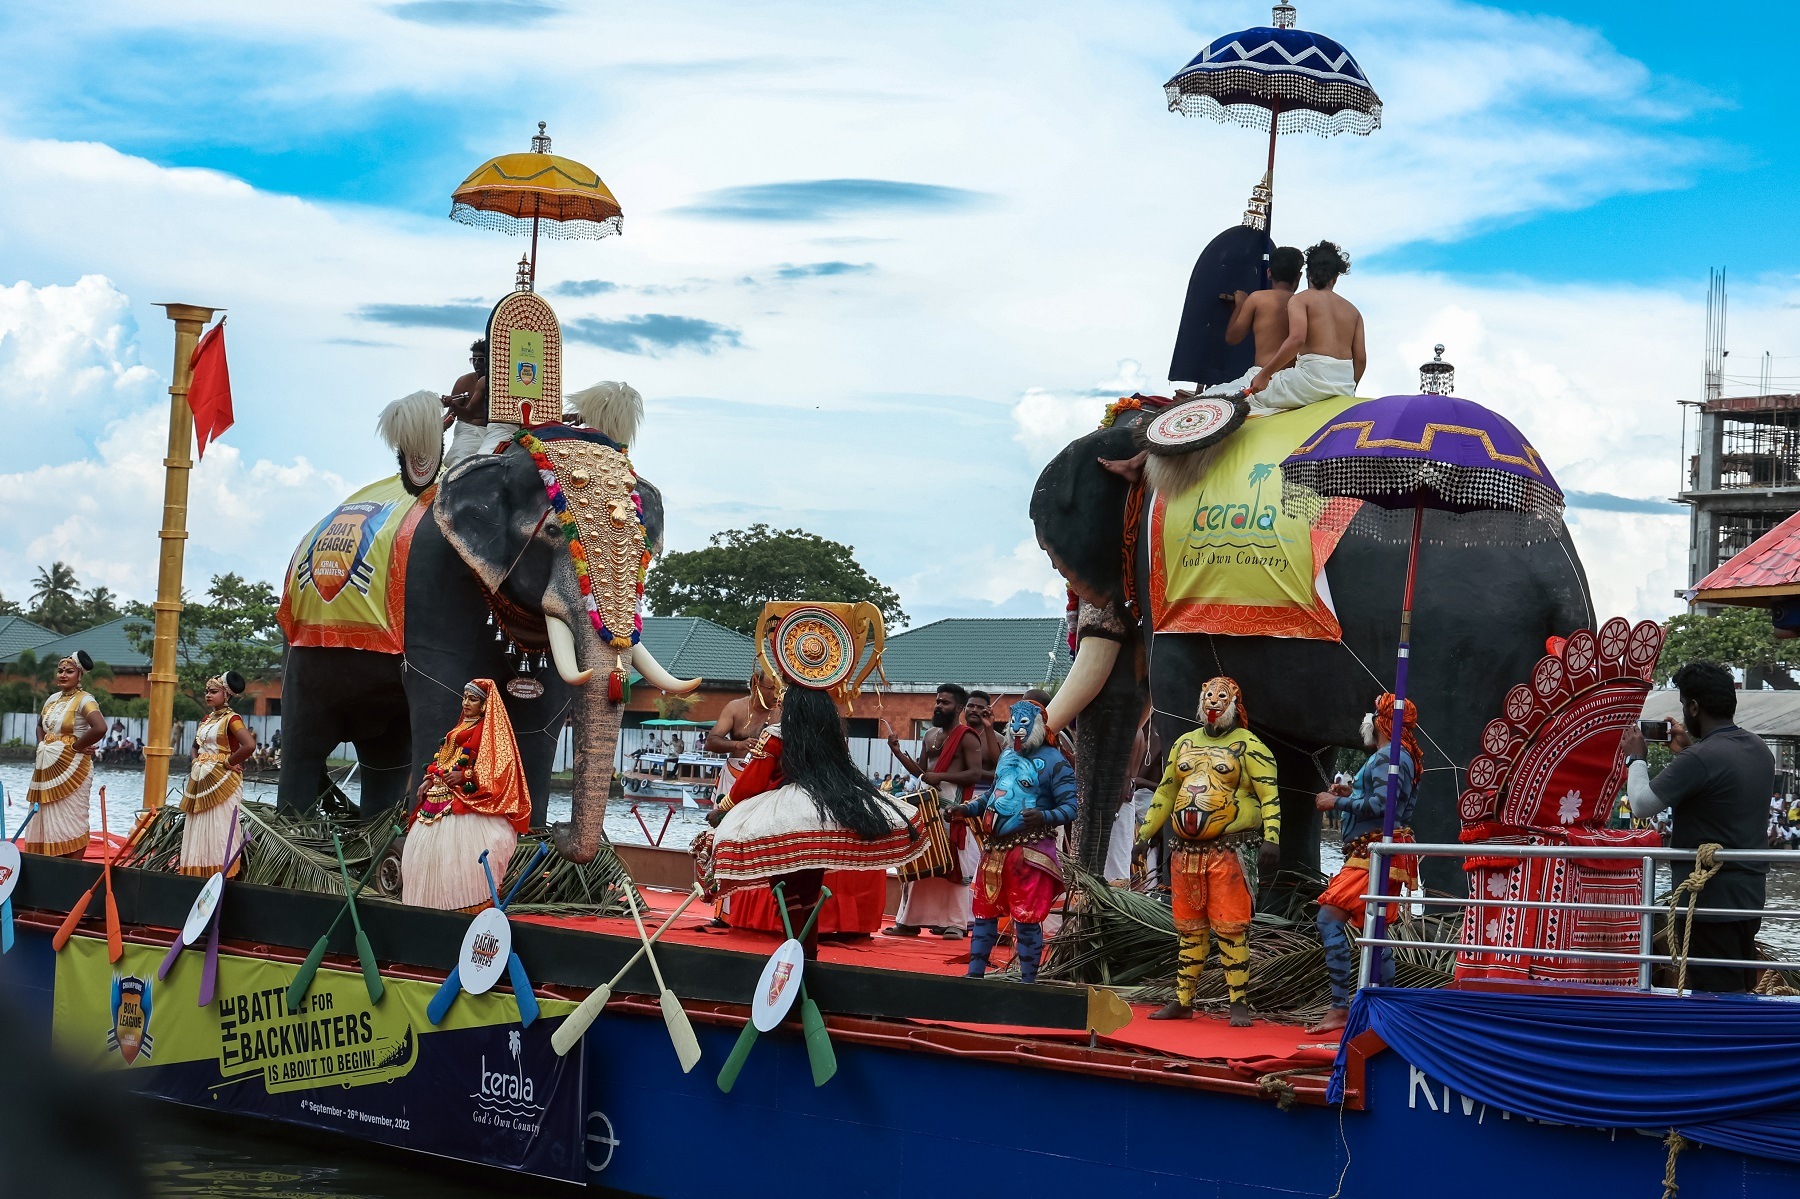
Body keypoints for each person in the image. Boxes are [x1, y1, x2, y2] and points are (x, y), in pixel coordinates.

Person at [705, 636, 924, 959]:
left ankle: (793, 953)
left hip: (788, 814)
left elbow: (752, 783)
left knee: (785, 888)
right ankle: (807, 952)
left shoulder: (777, 736)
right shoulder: (832, 736)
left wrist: (723, 810)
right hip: (827, 810)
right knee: (809, 887)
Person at [1621, 661, 1774, 992]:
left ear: (1693, 706)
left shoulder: (1701, 759)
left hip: (1709, 905)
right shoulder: (1759, 749)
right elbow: (1721, 791)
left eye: (1683, 704)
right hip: (1748, 898)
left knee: (1715, 996)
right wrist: (1691, 748)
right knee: (1737, 984)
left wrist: (1637, 758)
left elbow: (1642, 804)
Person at [1136, 677, 1280, 1025]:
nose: (1213, 703)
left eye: (1221, 698)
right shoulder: (1185, 743)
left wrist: (1272, 836)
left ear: (1234, 703)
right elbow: (1167, 791)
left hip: (1229, 852)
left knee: (1231, 929)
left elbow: (1269, 794)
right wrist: (1144, 835)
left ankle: (1238, 1003)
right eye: (1208, 697)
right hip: (1185, 852)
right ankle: (1183, 1000)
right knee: (1189, 929)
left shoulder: (1250, 745)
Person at [1307, 694, 1419, 1034]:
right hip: (1373, 852)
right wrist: (1348, 794)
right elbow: (1377, 799)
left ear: (1380, 721)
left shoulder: (1391, 755)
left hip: (1374, 854)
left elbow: (1383, 807)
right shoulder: (1394, 755)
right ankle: (1385, 1009)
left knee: (1329, 917)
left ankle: (1340, 1007)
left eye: (1371, 716)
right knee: (1374, 931)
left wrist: (1335, 803)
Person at [948, 699, 1078, 983]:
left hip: (1029, 852)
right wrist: (966, 809)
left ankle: (1028, 981)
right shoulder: (1007, 756)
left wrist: (1044, 816)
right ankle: (974, 976)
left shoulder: (1056, 762)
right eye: (1014, 722)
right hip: (994, 850)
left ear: (1039, 727)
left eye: (1024, 723)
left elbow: (1071, 808)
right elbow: (991, 796)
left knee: (1027, 919)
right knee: (983, 914)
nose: (1017, 729)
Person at [401, 680, 531, 912]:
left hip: (466, 802)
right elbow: (443, 760)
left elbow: (497, 768)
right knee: (426, 859)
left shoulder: (490, 732)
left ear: (484, 705)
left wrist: (465, 776)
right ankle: (425, 911)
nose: (466, 703)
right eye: (464, 698)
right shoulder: (458, 728)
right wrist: (429, 780)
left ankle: (463, 911)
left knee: (459, 864)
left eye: (472, 699)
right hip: (436, 800)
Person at [884, 684, 984, 938]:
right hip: (927, 809)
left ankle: (955, 924)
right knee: (920, 861)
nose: (939, 706)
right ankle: (909, 921)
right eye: (938, 701)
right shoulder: (929, 736)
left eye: (945, 703)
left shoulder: (968, 736)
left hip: (953, 810)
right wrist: (896, 752)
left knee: (953, 866)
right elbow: (921, 772)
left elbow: (975, 773)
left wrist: (940, 775)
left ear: (959, 708)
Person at [1244, 240, 1365, 415]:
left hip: (1310, 382)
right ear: (1336, 277)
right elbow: (1360, 359)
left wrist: (1264, 374)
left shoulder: (1301, 299)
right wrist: (1348, 389)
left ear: (1308, 274)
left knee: (1247, 385)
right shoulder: (1354, 311)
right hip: (1344, 386)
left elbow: (1297, 340)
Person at [25, 650, 107, 858]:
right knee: (44, 813)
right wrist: (45, 744)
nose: (62, 675)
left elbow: (99, 728)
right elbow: (40, 726)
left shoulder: (85, 700)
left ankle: (72, 868)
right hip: (47, 764)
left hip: (74, 767)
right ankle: (46, 863)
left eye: (69, 671)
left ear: (79, 675)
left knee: (71, 818)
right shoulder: (52, 699)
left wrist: (76, 747)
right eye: (60, 671)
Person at [1200, 246, 1304, 398]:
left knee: (1206, 399)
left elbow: (1233, 337)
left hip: (1260, 379)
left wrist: (1240, 305)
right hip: (1292, 382)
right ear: (1299, 276)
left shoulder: (1257, 299)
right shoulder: (1304, 303)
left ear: (1269, 273)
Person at [179, 672, 257, 878]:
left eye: (213, 692)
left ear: (227, 694)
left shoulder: (232, 719)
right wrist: (197, 760)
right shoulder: (206, 720)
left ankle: (222, 876)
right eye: (207, 691)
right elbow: (195, 747)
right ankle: (197, 873)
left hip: (223, 780)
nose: (208, 695)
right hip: (200, 779)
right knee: (198, 826)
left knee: (220, 829)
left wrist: (227, 762)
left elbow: (249, 745)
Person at [1106, 717, 1162, 885]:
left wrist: (1113, 812)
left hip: (1129, 803)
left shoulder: (1141, 736)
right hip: (1128, 802)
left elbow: (1129, 776)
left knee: (1122, 862)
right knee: (1122, 858)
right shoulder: (1138, 735)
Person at [442, 339, 490, 467]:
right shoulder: (464, 382)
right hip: (468, 432)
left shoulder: (501, 383)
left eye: (481, 360)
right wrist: (435, 430)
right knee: (461, 464)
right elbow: (450, 416)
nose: (476, 363)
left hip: (494, 433)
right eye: (473, 359)